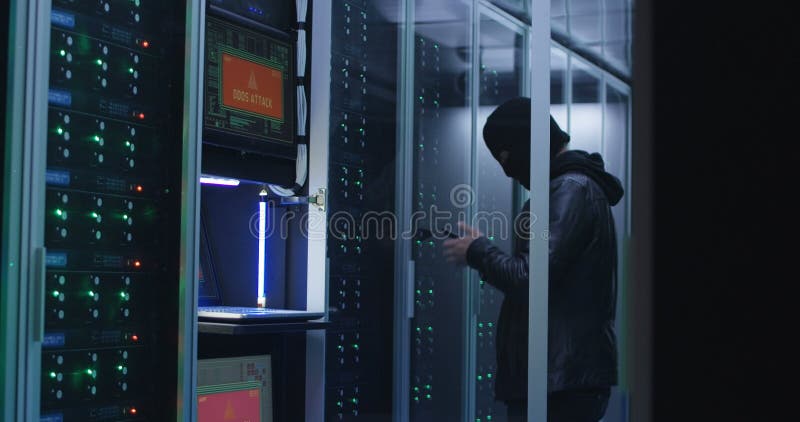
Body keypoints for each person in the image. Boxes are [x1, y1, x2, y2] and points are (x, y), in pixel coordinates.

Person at [442, 97, 623, 422]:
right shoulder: (571, 187)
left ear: (527, 144)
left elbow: (530, 278)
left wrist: (477, 250)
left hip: (560, 384)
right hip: (559, 380)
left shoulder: (569, 190)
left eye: (507, 158)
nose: (509, 172)